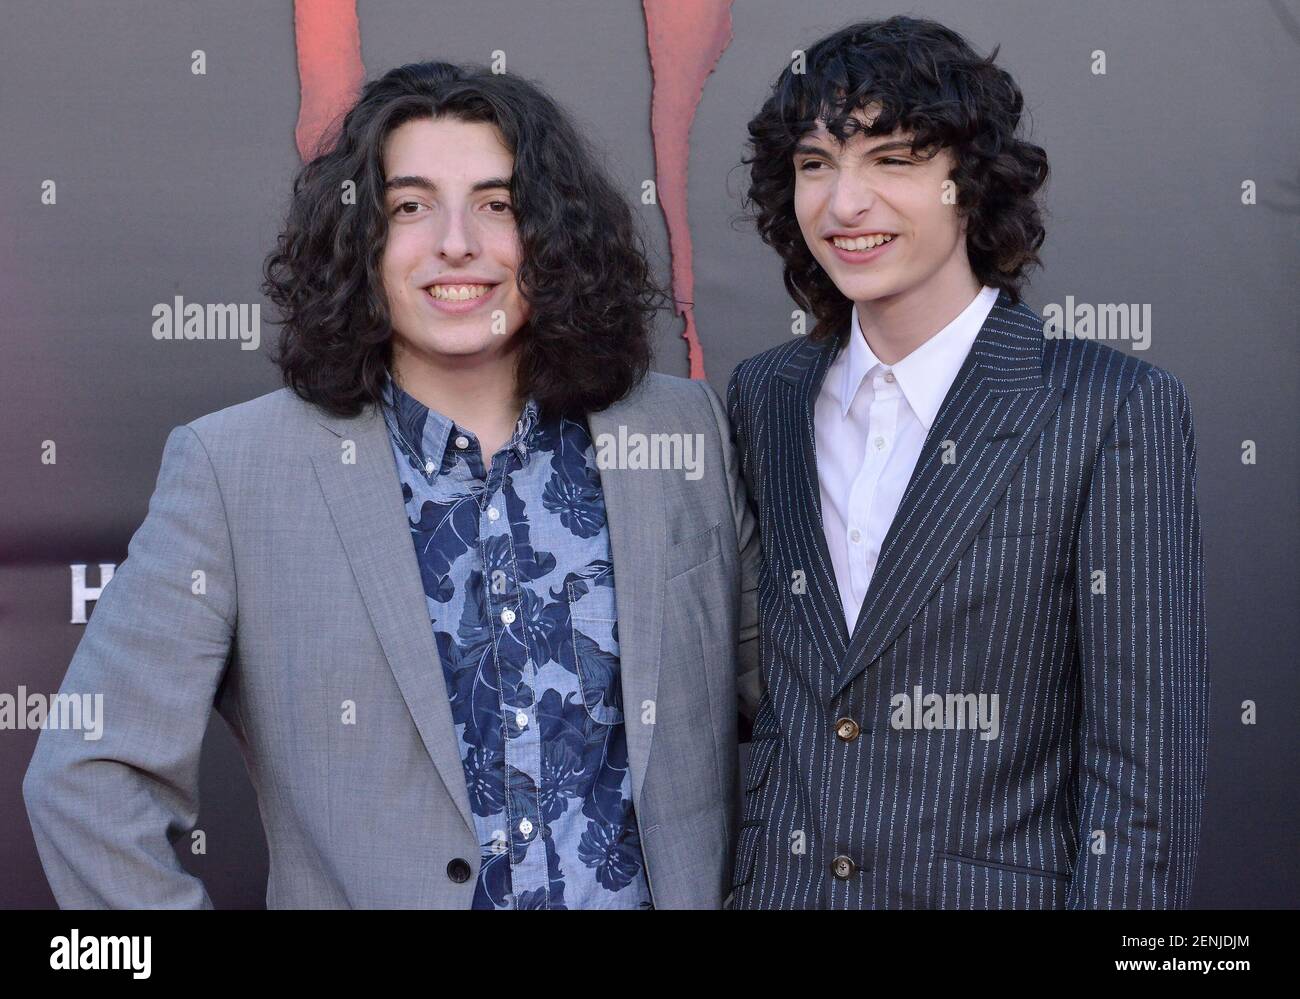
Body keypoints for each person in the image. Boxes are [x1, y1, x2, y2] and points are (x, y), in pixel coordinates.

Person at [24, 61, 759, 910]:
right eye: (411, 206)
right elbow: (88, 775)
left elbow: (796, 716)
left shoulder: (679, 432)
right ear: (360, 239)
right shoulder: (234, 471)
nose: (457, 242)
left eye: (498, 203)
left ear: (553, 235)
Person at [727, 16, 1206, 909]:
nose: (844, 204)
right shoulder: (767, 395)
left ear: (968, 183)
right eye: (816, 163)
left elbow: (1146, 779)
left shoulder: (1106, 407)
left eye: (893, 160)